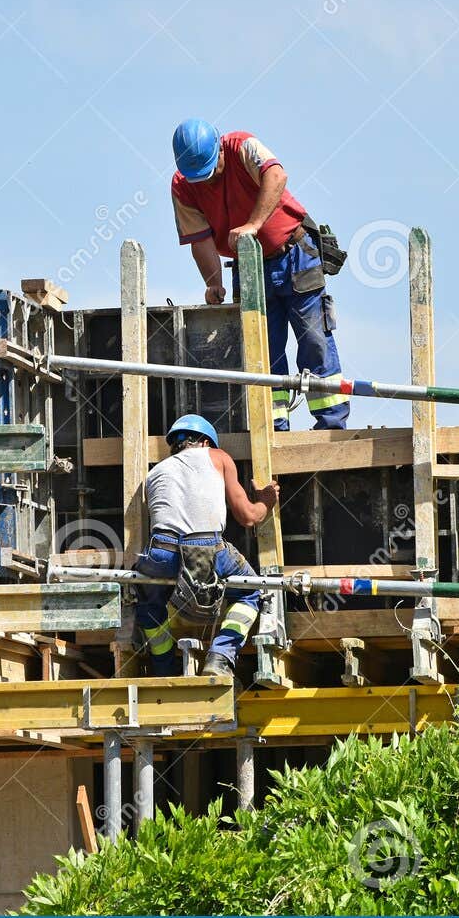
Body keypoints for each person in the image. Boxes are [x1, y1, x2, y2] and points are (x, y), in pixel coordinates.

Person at [169, 118, 350, 431]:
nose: (205, 180)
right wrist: (213, 282)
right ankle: (273, 426)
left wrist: (253, 225)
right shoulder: (183, 186)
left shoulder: (242, 146)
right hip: (249, 269)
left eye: (211, 170)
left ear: (219, 148)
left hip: (294, 256)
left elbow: (276, 176)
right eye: (198, 176)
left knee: (314, 340)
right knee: (262, 350)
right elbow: (199, 239)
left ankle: (331, 425)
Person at [134, 414, 279, 677]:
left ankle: (164, 669)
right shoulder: (218, 456)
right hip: (206, 547)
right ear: (204, 442)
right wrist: (266, 501)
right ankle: (220, 657)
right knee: (250, 591)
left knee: (148, 601)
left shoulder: (153, 473)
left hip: (160, 551)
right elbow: (248, 517)